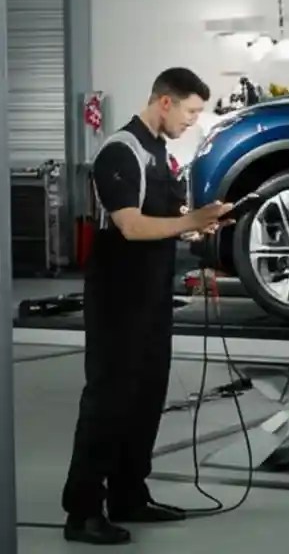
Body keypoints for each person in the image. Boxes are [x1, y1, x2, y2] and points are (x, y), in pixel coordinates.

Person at [61, 68, 234, 545]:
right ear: (164, 102)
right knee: (110, 401)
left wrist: (196, 225)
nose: (194, 121)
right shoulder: (122, 151)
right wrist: (189, 221)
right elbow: (132, 227)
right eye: (191, 111)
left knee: (146, 399)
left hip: (153, 296)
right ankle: (82, 511)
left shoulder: (161, 153)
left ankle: (129, 495)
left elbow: (165, 220)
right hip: (118, 298)